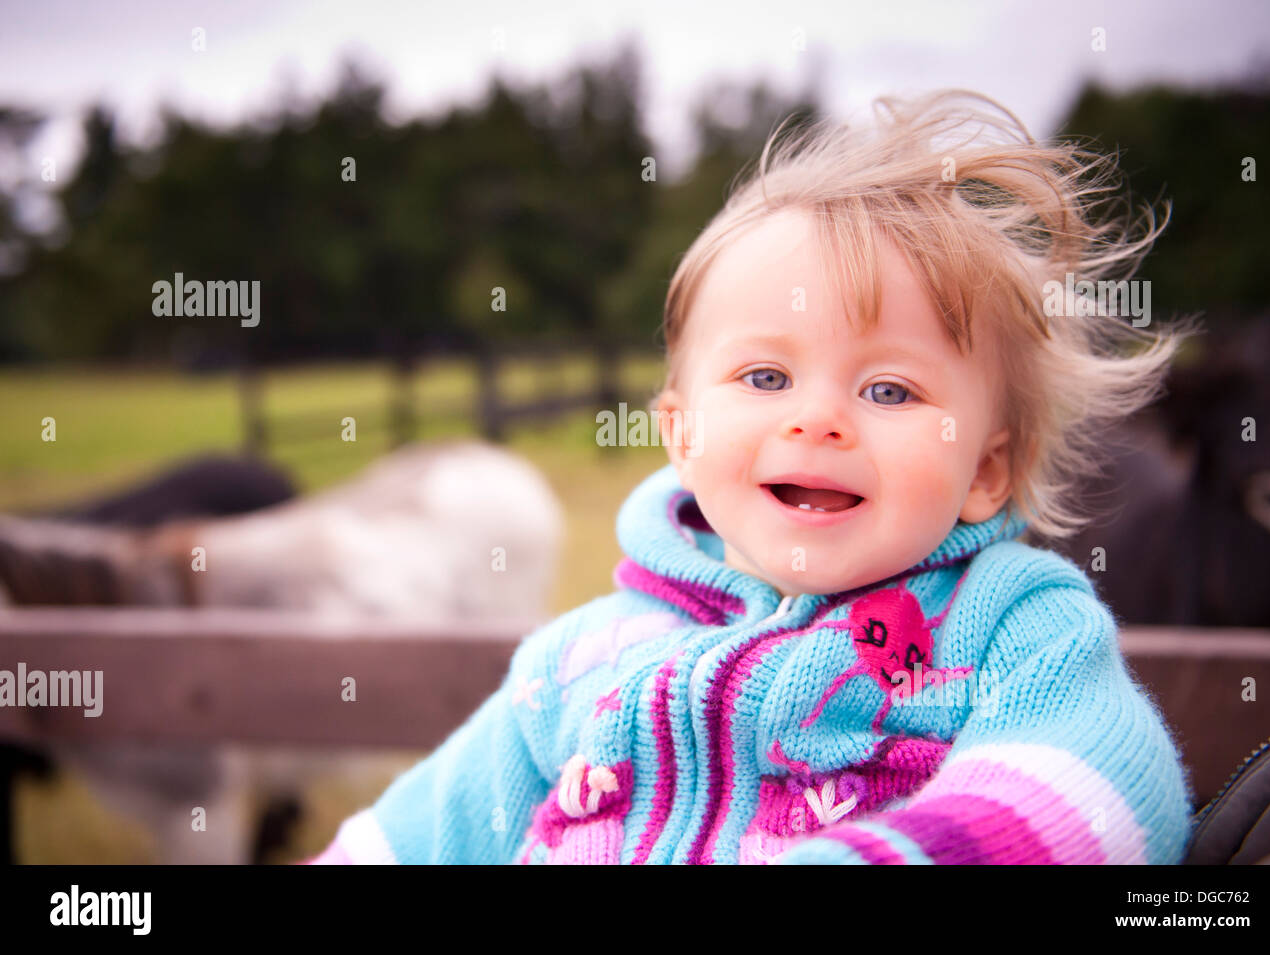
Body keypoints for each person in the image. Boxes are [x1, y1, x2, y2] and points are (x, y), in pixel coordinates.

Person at [306, 89, 1200, 865]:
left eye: (889, 388)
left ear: (985, 471)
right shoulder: (583, 658)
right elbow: (418, 833)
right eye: (765, 378)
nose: (817, 420)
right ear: (681, 433)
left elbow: (1106, 798)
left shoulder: (1013, 626)